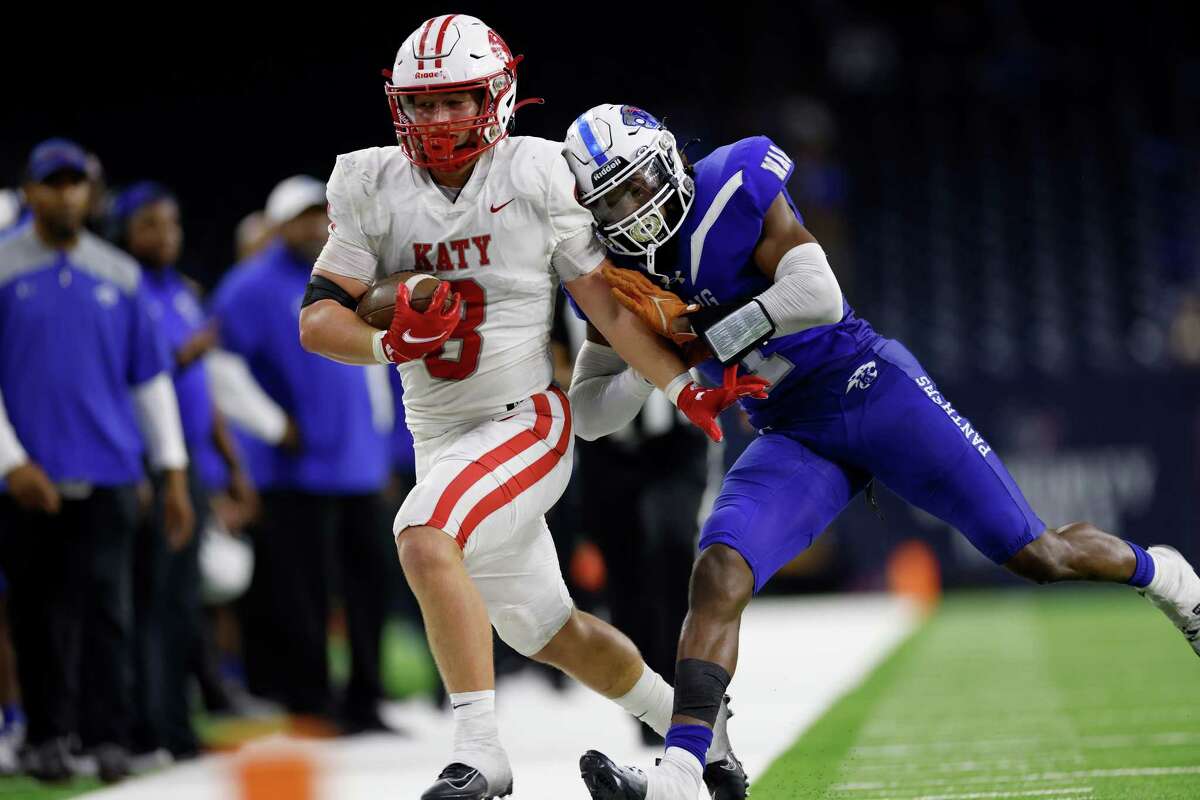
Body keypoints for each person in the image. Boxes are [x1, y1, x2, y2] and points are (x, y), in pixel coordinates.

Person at [560, 104, 1200, 800]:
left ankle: (1167, 577)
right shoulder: (616, 276)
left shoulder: (731, 185)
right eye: (611, 197)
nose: (632, 207)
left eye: (636, 183)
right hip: (792, 431)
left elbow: (817, 293)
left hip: (868, 389)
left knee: (1038, 554)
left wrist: (703, 336)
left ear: (669, 162)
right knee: (718, 571)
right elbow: (590, 414)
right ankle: (684, 772)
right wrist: (647, 359)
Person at [297, 15, 758, 800]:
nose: (440, 120)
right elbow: (316, 320)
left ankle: (480, 754)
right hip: (438, 437)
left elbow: (608, 313)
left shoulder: (539, 173)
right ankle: (708, 744)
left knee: (422, 534)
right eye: (425, 103)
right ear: (398, 106)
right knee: (550, 631)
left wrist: (684, 385)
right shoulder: (368, 182)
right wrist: (387, 342)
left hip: (525, 419)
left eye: (459, 100)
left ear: (498, 94)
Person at [0, 138, 194, 784]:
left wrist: (171, 472)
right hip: (31, 477)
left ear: (89, 191)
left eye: (74, 183)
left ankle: (110, 739)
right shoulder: (1, 267)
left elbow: (149, 380)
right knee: (36, 613)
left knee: (110, 612)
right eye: (51, 183)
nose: (65, 194)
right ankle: (49, 736)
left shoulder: (118, 272)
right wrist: (11, 463)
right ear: (29, 192)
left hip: (112, 469)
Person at [209, 175, 396, 733]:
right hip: (295, 472)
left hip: (359, 465)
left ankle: (366, 700)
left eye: (322, 215)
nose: (315, 226)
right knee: (304, 594)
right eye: (302, 217)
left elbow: (373, 370)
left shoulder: (351, 276)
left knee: (371, 586)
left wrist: (382, 443)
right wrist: (271, 424)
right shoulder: (248, 286)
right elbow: (218, 366)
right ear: (278, 225)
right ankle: (314, 703)